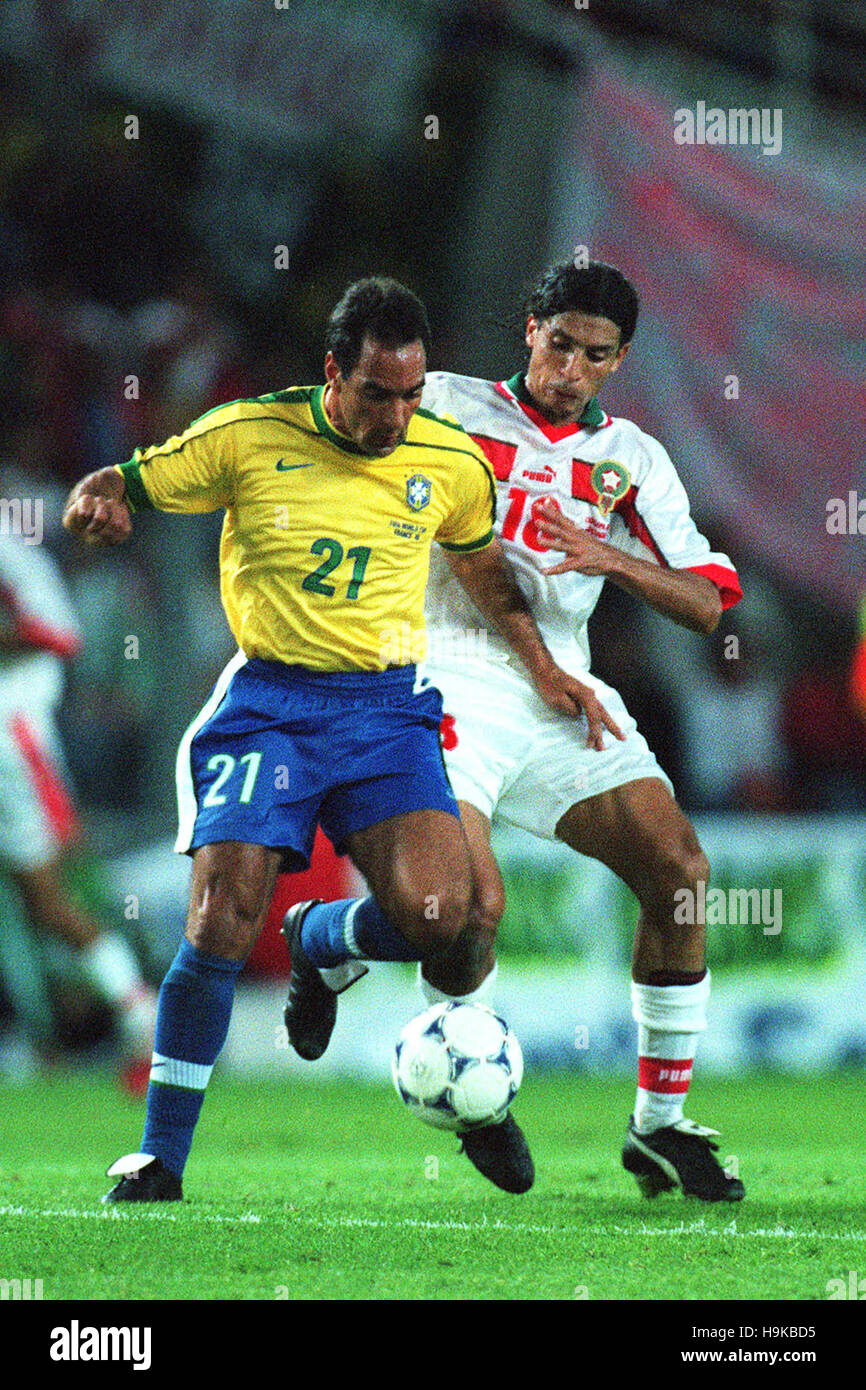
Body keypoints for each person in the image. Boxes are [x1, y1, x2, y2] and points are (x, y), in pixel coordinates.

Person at [62, 277, 618, 1203]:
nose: (397, 416)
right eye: (377, 394)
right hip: (271, 706)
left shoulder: (448, 461)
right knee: (219, 919)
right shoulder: (248, 434)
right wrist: (98, 498)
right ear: (334, 372)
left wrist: (545, 668)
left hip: (386, 711)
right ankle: (160, 1158)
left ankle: (319, 938)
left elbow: (482, 569)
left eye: (412, 394)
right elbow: (127, 478)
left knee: (445, 917)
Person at [312, 262, 745, 1203]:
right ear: (530, 329)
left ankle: (658, 1128)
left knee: (680, 873)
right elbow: (333, 433)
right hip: (434, 674)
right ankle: (465, 1091)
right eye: (560, 345)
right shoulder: (444, 405)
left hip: (560, 691)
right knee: (467, 910)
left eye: (597, 356)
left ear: (619, 360)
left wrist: (613, 559)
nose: (572, 370)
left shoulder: (633, 460)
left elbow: (709, 602)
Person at [0, 533, 155, 1088]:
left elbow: (59, 632)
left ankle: (140, 1017)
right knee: (41, 904)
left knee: (48, 900)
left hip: (12, 740)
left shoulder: (9, 549)